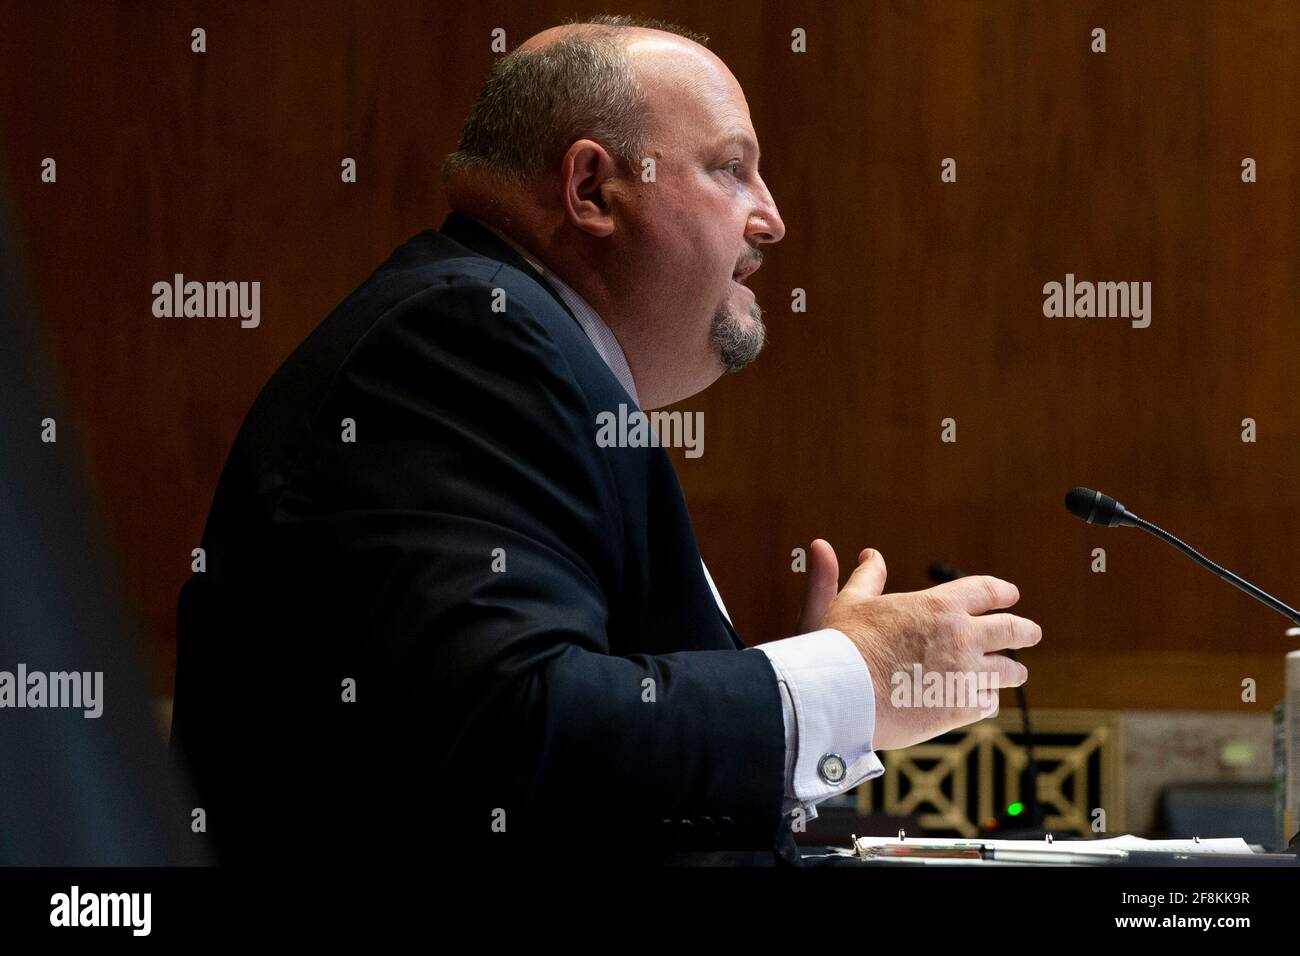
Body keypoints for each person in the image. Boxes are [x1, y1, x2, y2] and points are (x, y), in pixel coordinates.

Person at [170, 14, 1041, 867]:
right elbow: (512, 728)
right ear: (591, 189)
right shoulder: (470, 333)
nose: (771, 218)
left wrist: (799, 671)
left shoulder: (528, 350)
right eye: (732, 170)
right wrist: (848, 678)